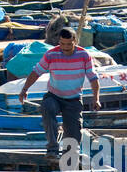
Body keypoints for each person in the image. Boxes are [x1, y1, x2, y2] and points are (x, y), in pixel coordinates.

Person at [21, 26, 100, 162]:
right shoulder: (51, 54)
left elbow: (93, 78)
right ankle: (52, 148)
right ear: (59, 42)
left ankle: (69, 157)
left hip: (74, 99)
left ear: (75, 41)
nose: (65, 47)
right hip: (54, 96)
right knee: (47, 107)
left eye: (69, 44)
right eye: (62, 44)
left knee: (73, 133)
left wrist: (96, 99)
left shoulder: (84, 55)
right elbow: (36, 73)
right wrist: (24, 90)